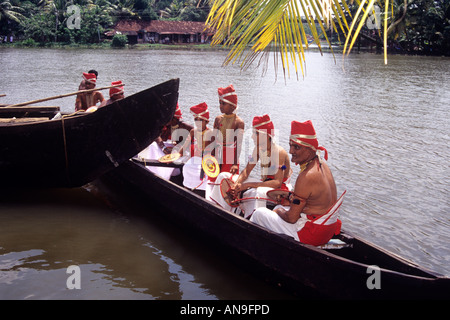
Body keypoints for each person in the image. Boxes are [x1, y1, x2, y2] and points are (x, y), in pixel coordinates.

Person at [250, 120, 342, 246]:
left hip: (312, 234)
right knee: (277, 207)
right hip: (328, 229)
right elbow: (312, 201)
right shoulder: (322, 164)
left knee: (259, 213)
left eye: (296, 147)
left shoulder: (306, 176)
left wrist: (279, 212)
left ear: (310, 150)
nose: (291, 151)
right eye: (290, 145)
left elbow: (291, 218)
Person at [209, 114, 291, 218]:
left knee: (257, 193)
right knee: (223, 175)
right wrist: (237, 183)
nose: (252, 136)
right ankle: (221, 209)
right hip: (264, 183)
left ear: (266, 135)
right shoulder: (258, 149)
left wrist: (247, 185)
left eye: (255, 133)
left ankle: (251, 220)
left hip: (279, 189)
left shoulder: (278, 152)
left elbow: (277, 183)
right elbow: (247, 171)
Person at [137, 103, 193, 180]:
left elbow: (195, 140)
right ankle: (155, 171)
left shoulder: (185, 126)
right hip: (168, 149)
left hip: (181, 151)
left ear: (174, 119)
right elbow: (157, 136)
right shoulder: (165, 125)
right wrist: (164, 149)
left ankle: (172, 174)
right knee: (153, 145)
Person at [175, 102, 214, 195]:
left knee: (205, 174)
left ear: (207, 122)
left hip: (207, 159)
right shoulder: (193, 131)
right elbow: (185, 146)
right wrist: (176, 156)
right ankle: (187, 188)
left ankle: (203, 192)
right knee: (186, 167)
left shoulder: (211, 133)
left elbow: (215, 151)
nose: (198, 122)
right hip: (195, 158)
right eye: (196, 120)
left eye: (201, 120)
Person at [213, 84, 245, 175]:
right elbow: (213, 140)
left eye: (224, 103)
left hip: (230, 156)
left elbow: (239, 145)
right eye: (220, 103)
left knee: (226, 180)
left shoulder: (239, 122)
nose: (221, 106)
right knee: (214, 178)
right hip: (218, 153)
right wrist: (211, 156)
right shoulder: (218, 119)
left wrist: (234, 164)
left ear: (233, 106)